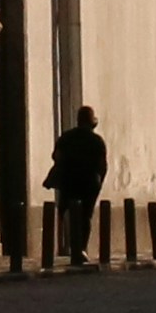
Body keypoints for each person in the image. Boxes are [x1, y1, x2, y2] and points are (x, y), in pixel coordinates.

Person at [50, 103, 108, 271]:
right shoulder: (97, 141)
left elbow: (56, 156)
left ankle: (64, 246)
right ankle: (81, 248)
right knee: (86, 216)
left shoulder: (66, 138)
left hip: (69, 181)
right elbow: (102, 165)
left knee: (64, 212)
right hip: (89, 183)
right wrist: (99, 182)